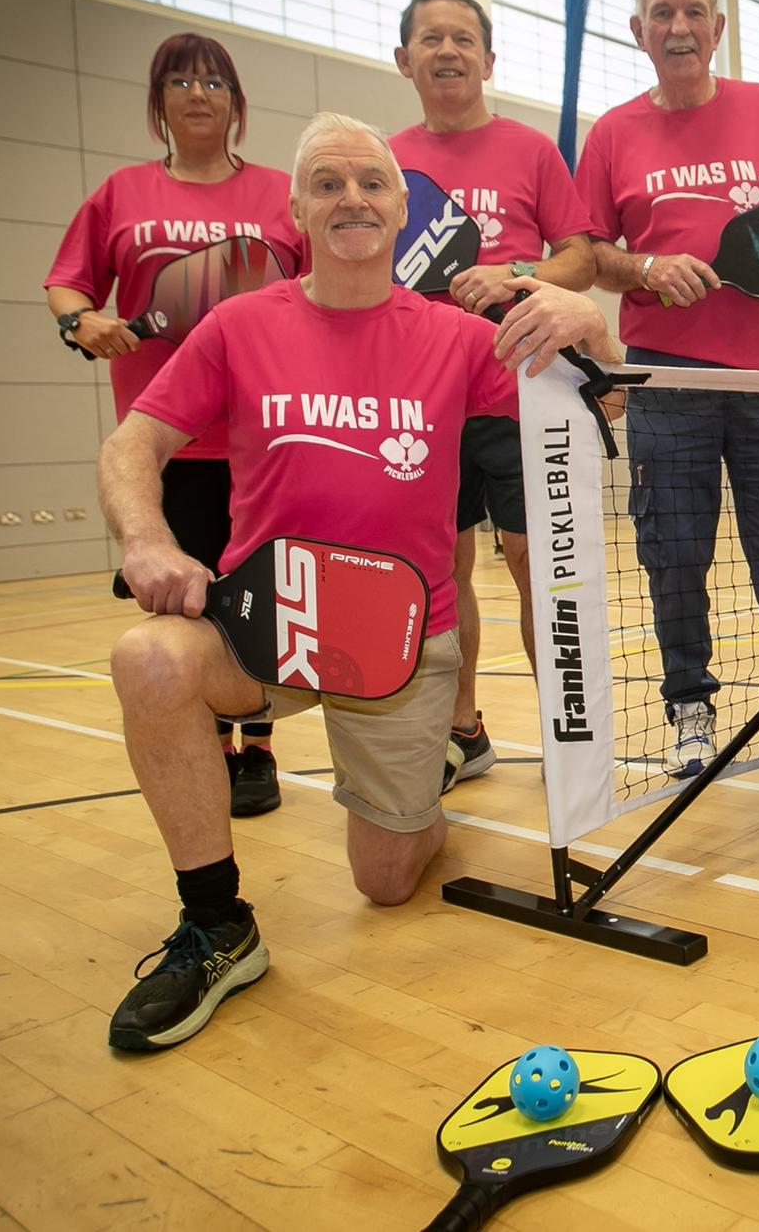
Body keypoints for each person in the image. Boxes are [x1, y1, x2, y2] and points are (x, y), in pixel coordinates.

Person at [97, 113, 610, 1051]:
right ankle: (219, 927)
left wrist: (588, 319)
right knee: (150, 661)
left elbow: (595, 393)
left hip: (405, 637)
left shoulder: (458, 339)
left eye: (371, 183)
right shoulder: (237, 326)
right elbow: (135, 441)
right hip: (275, 619)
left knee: (384, 882)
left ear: (401, 207)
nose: (351, 199)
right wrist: (147, 540)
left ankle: (410, 795)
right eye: (326, 184)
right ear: (296, 210)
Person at [575, 0, 759, 775]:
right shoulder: (613, 133)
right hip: (665, 377)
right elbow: (590, 254)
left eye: (694, 12)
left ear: (717, 29)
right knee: (673, 550)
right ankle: (689, 710)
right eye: (662, 13)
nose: (679, 26)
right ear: (639, 31)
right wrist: (648, 269)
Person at [44, 32, 307, 818]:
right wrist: (82, 322)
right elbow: (66, 286)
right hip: (169, 439)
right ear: (158, 101)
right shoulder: (120, 193)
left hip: (267, 434)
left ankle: (258, 747)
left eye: (215, 82)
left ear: (237, 102)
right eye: (181, 82)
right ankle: (215, 744)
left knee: (262, 596)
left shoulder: (277, 194)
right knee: (188, 600)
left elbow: (315, 289)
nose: (199, 94)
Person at [389, 0, 598, 788]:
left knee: (531, 560)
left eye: (464, 39)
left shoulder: (529, 150)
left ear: (488, 58)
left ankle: (565, 736)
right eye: (432, 39)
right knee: (440, 566)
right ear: (404, 59)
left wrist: (512, 273)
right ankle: (463, 730)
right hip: (421, 396)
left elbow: (579, 256)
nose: (448, 51)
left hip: (523, 386)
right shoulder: (385, 158)